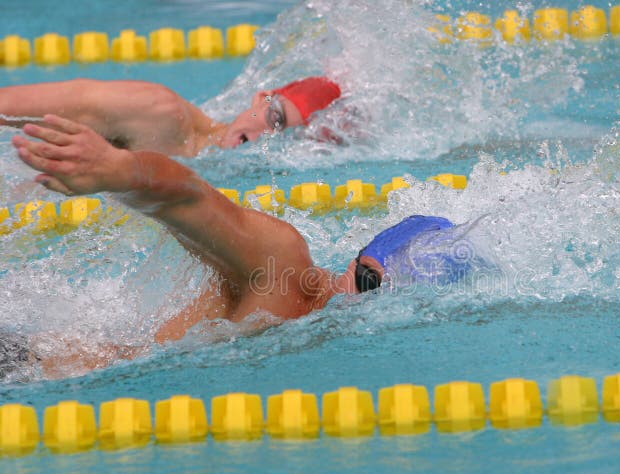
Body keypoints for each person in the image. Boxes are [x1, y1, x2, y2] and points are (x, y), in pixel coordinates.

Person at [5, 115, 472, 379]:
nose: (366, 308)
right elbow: (189, 196)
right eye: (370, 284)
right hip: (26, 364)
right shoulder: (287, 273)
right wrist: (119, 171)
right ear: (357, 263)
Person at [0, 76, 341, 157]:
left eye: (287, 136)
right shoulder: (157, 110)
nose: (268, 137)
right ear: (262, 97)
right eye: (276, 120)